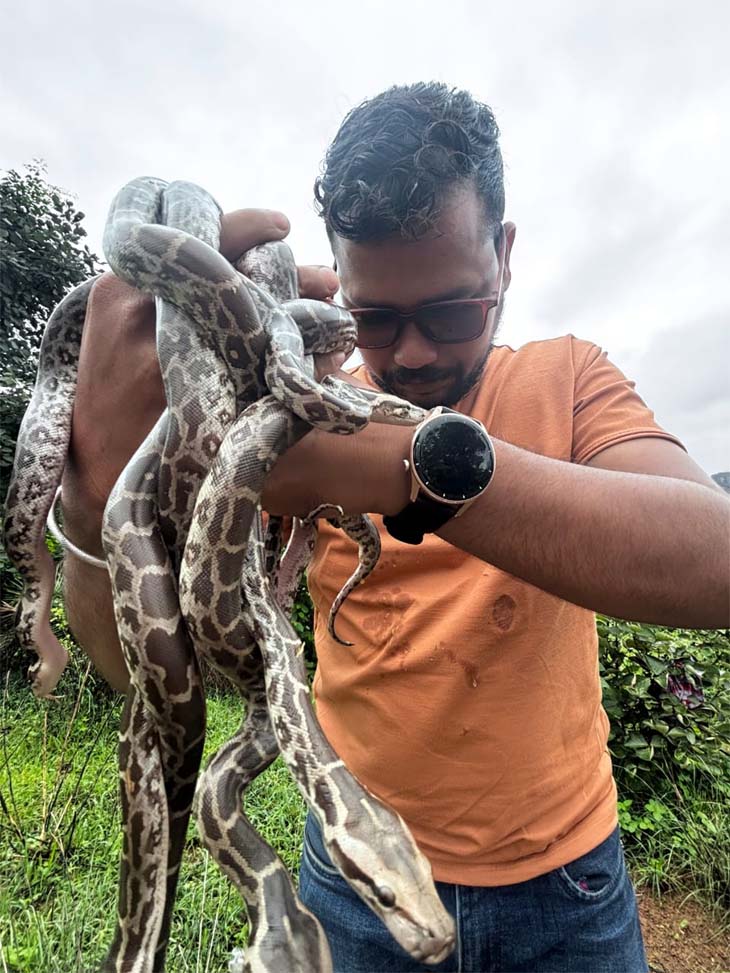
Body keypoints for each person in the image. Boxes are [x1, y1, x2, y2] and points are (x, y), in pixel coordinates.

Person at [62, 83, 729, 972]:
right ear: (336, 282)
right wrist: (94, 494)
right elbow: (130, 665)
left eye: (452, 311)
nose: (411, 353)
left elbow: (714, 560)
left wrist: (394, 463)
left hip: (568, 886)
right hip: (350, 887)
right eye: (376, 319)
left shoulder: (568, 378)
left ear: (505, 254)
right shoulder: (277, 401)